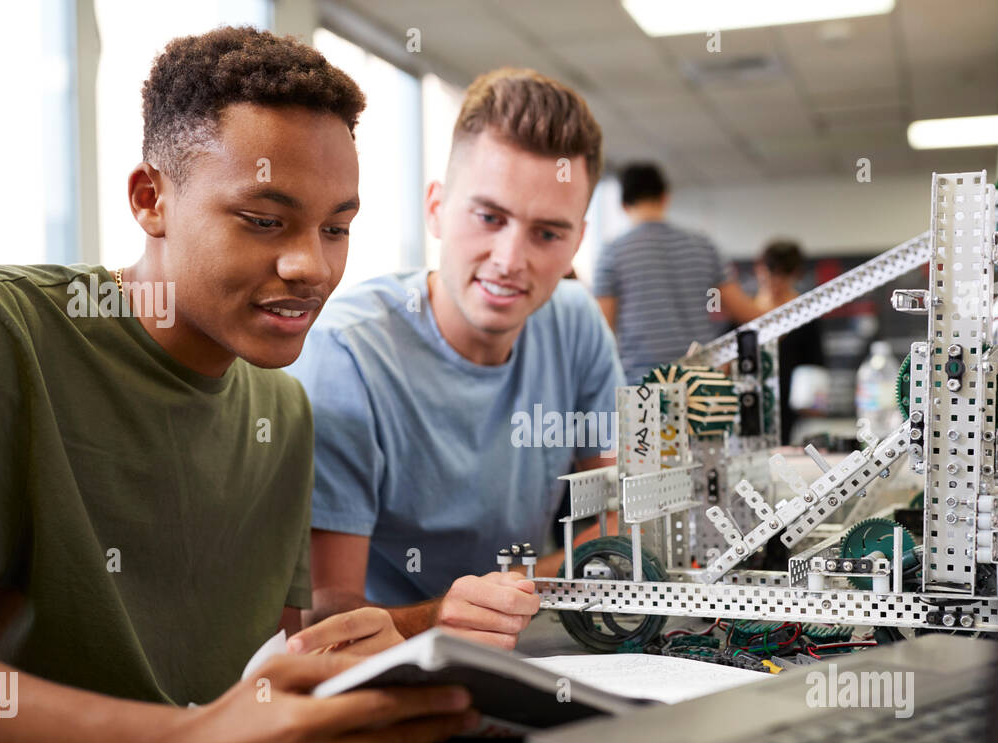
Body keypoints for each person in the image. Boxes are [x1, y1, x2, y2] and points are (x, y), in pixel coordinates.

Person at [0, 27, 478, 743]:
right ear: (150, 199)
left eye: (336, 228)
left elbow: (264, 676)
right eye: (263, 220)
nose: (310, 266)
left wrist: (399, 648)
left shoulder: (281, 412)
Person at [285, 68, 624, 651]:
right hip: (392, 676)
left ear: (576, 242)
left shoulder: (576, 321)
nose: (509, 259)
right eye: (489, 218)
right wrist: (444, 616)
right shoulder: (348, 354)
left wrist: (512, 594)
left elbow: (617, 521)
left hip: (532, 648)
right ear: (438, 208)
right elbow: (324, 623)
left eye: (547, 233)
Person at [593, 162, 762, 384]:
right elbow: (747, 314)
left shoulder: (612, 253)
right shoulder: (704, 246)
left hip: (644, 388)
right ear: (665, 197)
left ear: (624, 205)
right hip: (701, 384)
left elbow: (602, 333)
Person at [754, 239, 824, 444]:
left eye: (782, 276)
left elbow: (815, 364)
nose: (775, 282)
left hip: (791, 414)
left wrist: (813, 403)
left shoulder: (806, 314)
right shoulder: (745, 313)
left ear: (795, 275)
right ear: (759, 270)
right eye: (770, 274)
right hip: (750, 407)